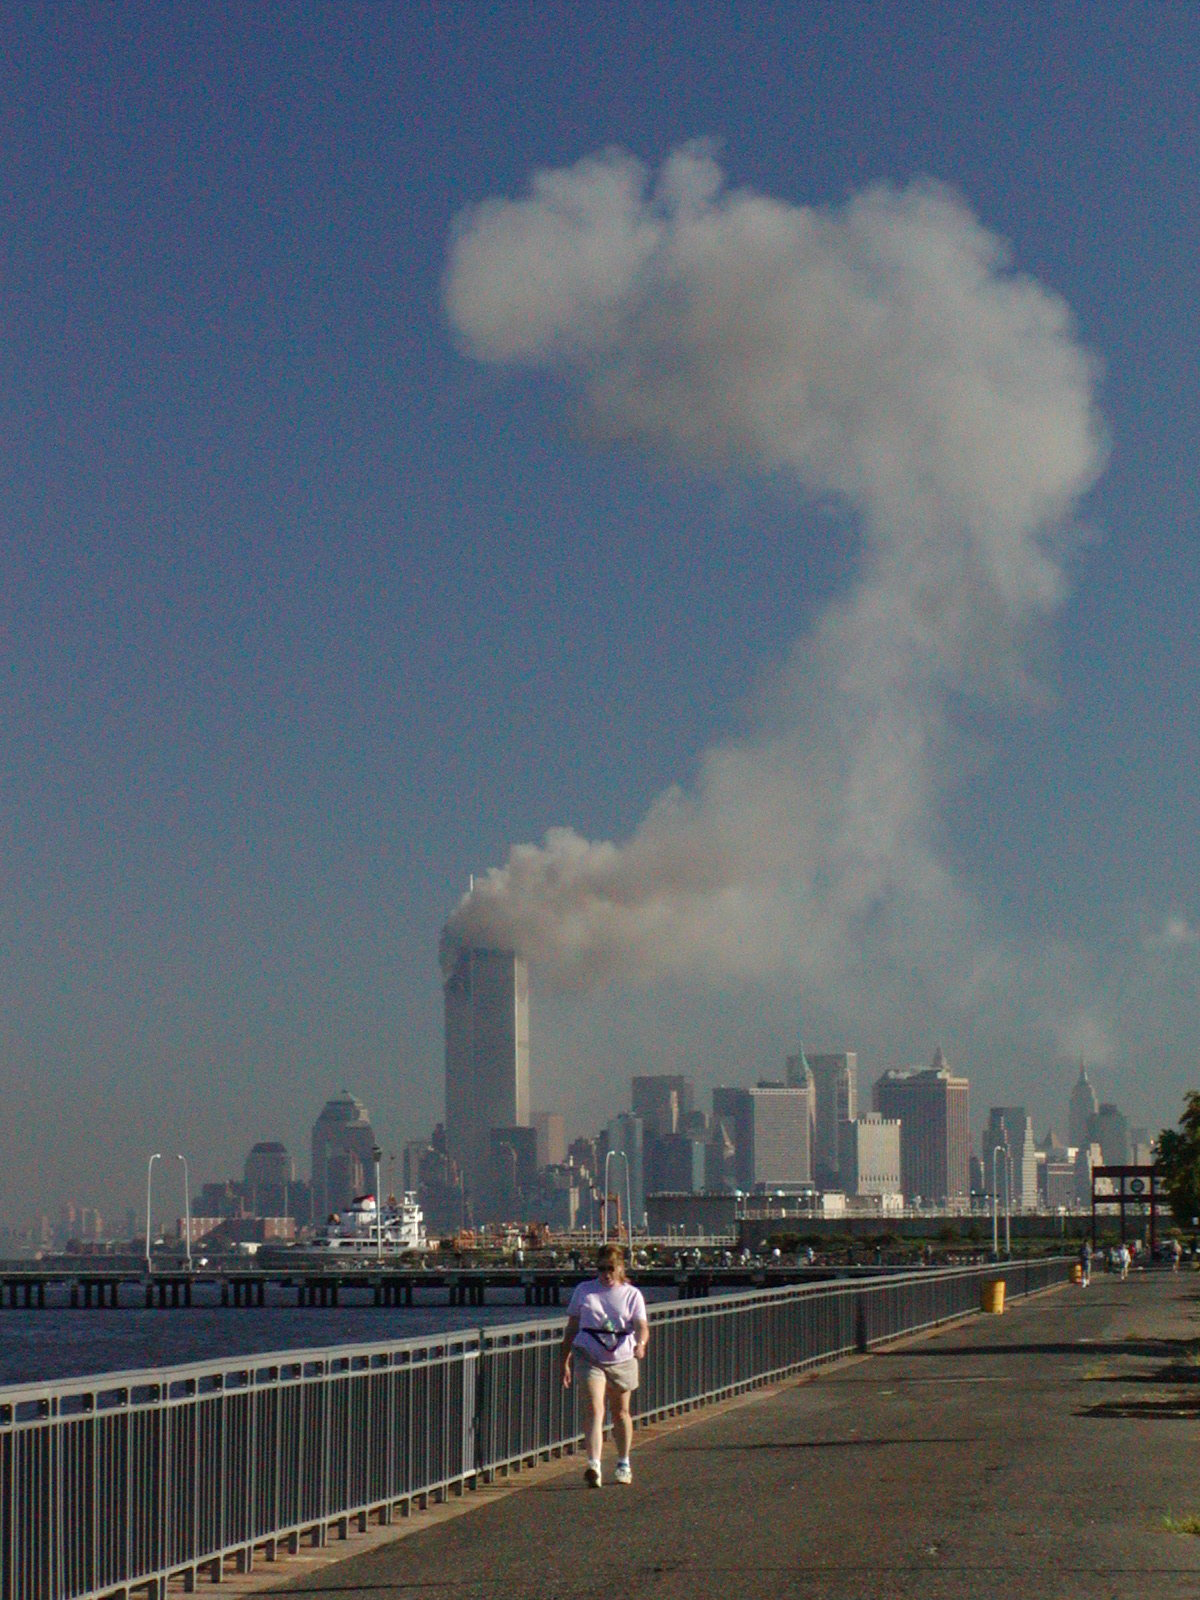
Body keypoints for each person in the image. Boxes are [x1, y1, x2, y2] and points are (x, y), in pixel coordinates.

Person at [560, 1242, 649, 1488]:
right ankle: (594, 1465)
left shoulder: (632, 1294)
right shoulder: (584, 1291)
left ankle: (623, 1462)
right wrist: (564, 1359)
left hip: (622, 1356)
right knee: (594, 1408)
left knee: (620, 1412)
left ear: (620, 1267)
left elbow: (642, 1326)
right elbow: (571, 1327)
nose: (606, 1274)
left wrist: (641, 1344)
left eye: (610, 1268)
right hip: (589, 1354)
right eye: (601, 1269)